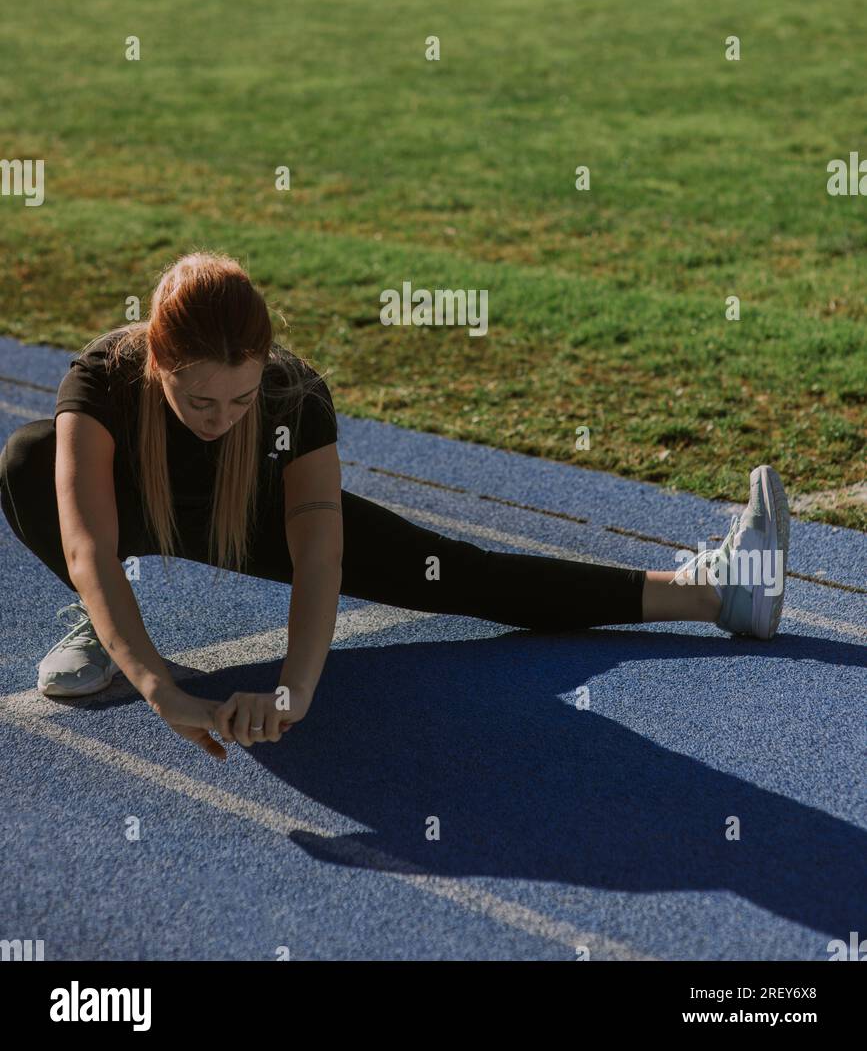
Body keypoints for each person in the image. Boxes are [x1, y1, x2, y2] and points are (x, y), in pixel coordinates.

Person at [0, 251, 790, 763]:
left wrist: (293, 690)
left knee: (467, 575)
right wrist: (162, 689)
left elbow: (320, 559)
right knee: (27, 459)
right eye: (199, 400)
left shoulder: (292, 396)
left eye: (239, 399)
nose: (222, 418)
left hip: (249, 513)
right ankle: (103, 628)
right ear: (159, 363)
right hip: (134, 513)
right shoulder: (103, 378)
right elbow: (88, 549)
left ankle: (721, 592)